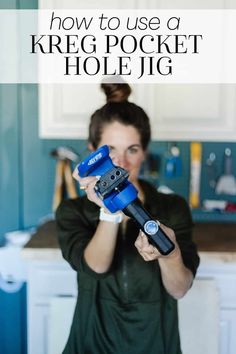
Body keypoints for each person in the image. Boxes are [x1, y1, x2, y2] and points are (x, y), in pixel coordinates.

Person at [56, 82, 200, 354]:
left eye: (132, 149)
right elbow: (96, 266)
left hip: (156, 344)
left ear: (144, 152)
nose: (121, 162)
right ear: (92, 150)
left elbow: (180, 289)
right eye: (110, 151)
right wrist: (108, 211)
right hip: (90, 344)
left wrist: (169, 255)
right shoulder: (72, 212)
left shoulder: (172, 208)